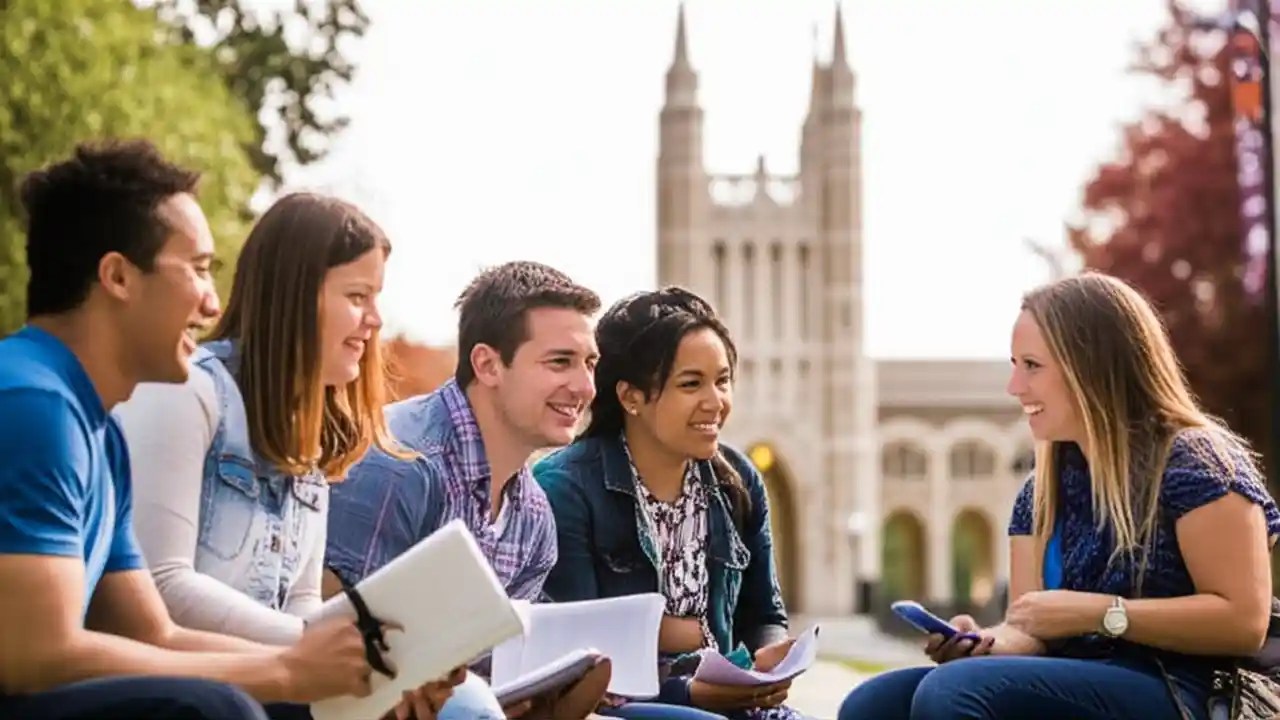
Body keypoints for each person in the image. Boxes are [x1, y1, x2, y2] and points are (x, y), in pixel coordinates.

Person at [0, 140, 381, 720]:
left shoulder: (98, 432)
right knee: (213, 709)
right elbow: (34, 655)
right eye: (199, 271)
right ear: (118, 277)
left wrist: (333, 668)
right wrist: (282, 671)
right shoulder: (34, 405)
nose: (211, 302)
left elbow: (155, 633)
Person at [837, 272, 1280, 720]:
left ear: (1091, 367)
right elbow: (1029, 633)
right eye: (1014, 364)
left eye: (1031, 366)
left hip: (1186, 689)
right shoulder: (1041, 491)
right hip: (1076, 674)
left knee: (952, 694)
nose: (1014, 387)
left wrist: (1100, 614)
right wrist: (984, 644)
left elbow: (1243, 621)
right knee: (872, 705)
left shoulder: (1194, 462)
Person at [114, 192, 464, 720]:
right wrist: (334, 650)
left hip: (268, 683)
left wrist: (381, 671)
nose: (374, 320)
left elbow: (299, 604)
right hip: (185, 689)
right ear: (296, 295)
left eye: (375, 298)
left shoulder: (312, 437)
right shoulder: (189, 393)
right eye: (357, 296)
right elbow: (161, 584)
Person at [325, 260, 610, 720]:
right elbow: (330, 634)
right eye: (561, 361)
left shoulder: (534, 516)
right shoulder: (400, 463)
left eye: (589, 364)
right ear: (488, 364)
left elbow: (503, 664)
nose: (584, 387)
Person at [533, 287, 804, 720]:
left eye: (722, 380)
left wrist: (769, 661)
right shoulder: (565, 488)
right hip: (620, 708)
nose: (715, 402)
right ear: (631, 397)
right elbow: (575, 661)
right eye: (691, 384)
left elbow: (764, 611)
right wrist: (689, 693)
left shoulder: (738, 481)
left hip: (730, 698)